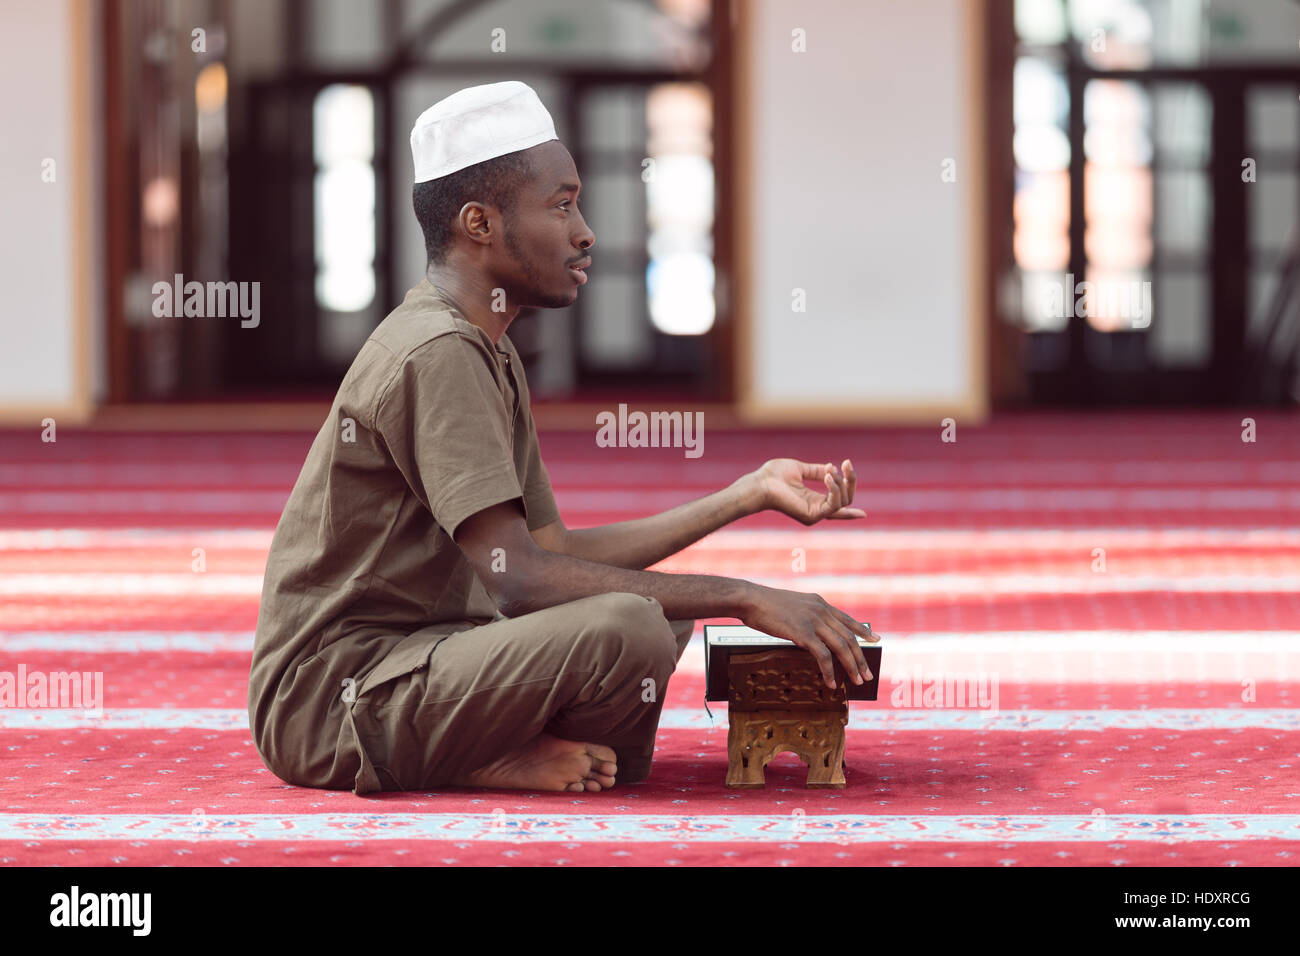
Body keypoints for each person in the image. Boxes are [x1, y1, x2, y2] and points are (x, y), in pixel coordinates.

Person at [248, 80, 878, 796]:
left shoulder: (486, 345)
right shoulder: (439, 351)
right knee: (632, 624)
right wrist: (742, 596)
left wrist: (744, 494)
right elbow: (518, 580)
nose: (585, 231)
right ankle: (476, 758)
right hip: (334, 702)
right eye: (561, 204)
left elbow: (554, 554)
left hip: (422, 658)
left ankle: (500, 749)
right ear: (478, 224)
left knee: (652, 614)